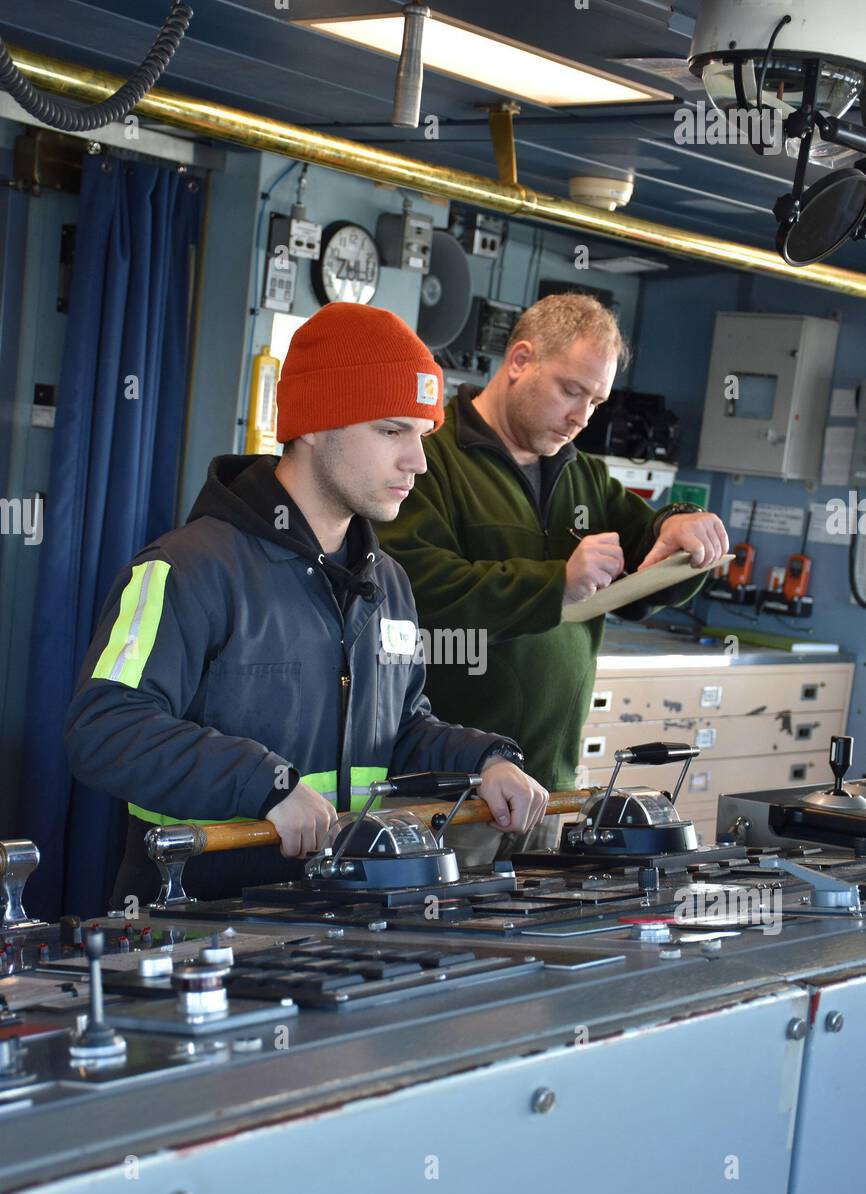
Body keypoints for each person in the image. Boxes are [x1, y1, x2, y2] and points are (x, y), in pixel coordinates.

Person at [64, 302, 548, 907]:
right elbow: (106, 727)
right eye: (391, 430)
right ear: (316, 423)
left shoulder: (387, 583)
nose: (418, 462)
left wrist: (485, 763)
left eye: (421, 436)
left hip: (339, 916)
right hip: (200, 928)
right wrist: (264, 785)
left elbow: (398, 732)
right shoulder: (187, 568)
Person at [375, 293, 729, 862]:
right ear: (519, 360)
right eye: (570, 390)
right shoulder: (430, 461)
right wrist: (553, 584)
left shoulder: (584, 474)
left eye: (596, 400)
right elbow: (417, 591)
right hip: (449, 792)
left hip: (552, 788)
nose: (581, 417)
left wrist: (682, 532)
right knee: (443, 945)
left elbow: (650, 559)